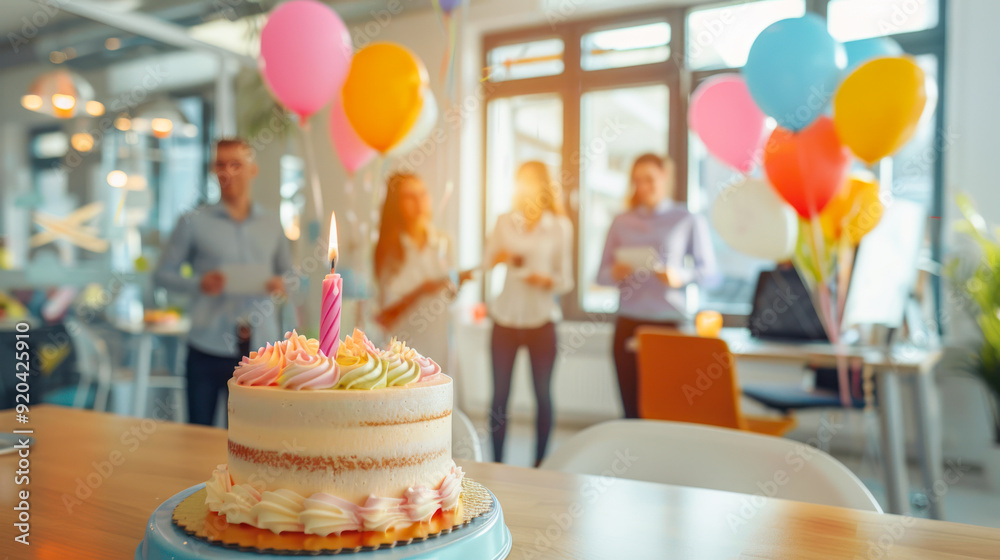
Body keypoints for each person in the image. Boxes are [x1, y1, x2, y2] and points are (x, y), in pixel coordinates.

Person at [154, 138, 291, 425]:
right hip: (207, 345)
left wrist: (282, 285)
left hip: (261, 352)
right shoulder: (192, 221)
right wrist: (199, 283)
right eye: (220, 165)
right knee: (198, 438)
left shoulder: (272, 223)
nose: (227, 172)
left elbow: (291, 277)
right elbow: (162, 275)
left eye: (236, 164)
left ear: (252, 170)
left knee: (254, 437)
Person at [596, 153, 717, 419]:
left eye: (649, 179)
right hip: (628, 323)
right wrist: (615, 272)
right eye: (637, 181)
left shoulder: (686, 218)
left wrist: (680, 276)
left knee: (668, 408)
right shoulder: (621, 222)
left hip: (668, 324)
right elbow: (600, 277)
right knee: (631, 410)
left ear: (665, 178)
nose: (643, 187)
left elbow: (710, 274)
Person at [484, 161, 573, 466]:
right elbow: (486, 263)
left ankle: (540, 465)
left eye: (533, 181)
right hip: (504, 320)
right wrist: (500, 256)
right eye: (522, 181)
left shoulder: (560, 226)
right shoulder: (504, 222)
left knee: (542, 395)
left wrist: (546, 280)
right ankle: (495, 463)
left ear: (545, 186)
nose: (527, 188)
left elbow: (567, 280)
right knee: (499, 397)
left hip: (542, 321)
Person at [374, 173, 469, 367]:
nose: (419, 202)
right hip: (402, 348)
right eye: (410, 196)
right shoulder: (387, 249)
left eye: (423, 194)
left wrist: (457, 283)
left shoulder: (444, 241)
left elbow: (450, 295)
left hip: (440, 342)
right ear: (396, 204)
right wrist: (422, 290)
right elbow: (383, 315)